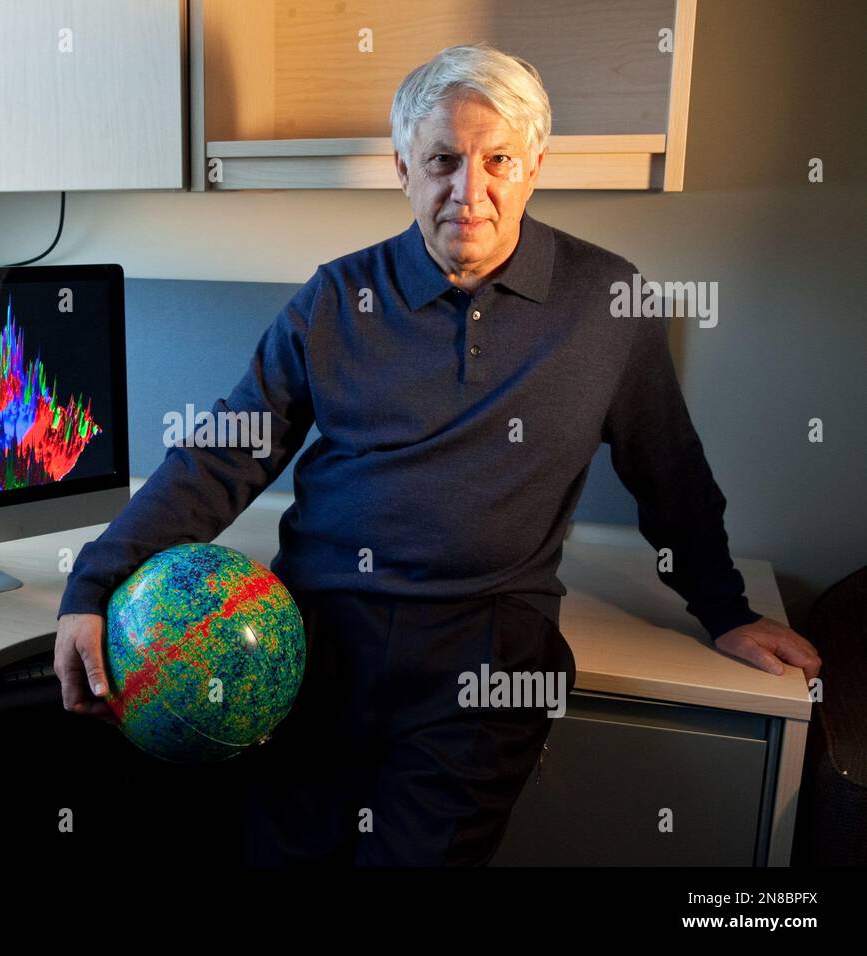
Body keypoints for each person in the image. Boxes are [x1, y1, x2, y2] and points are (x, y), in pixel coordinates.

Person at [52, 43, 822, 865]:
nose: (471, 191)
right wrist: (94, 582)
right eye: (443, 160)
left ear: (534, 165)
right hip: (314, 640)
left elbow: (670, 475)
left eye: (497, 160)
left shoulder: (607, 304)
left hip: (485, 651)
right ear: (403, 168)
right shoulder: (334, 298)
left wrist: (726, 608)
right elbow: (222, 455)